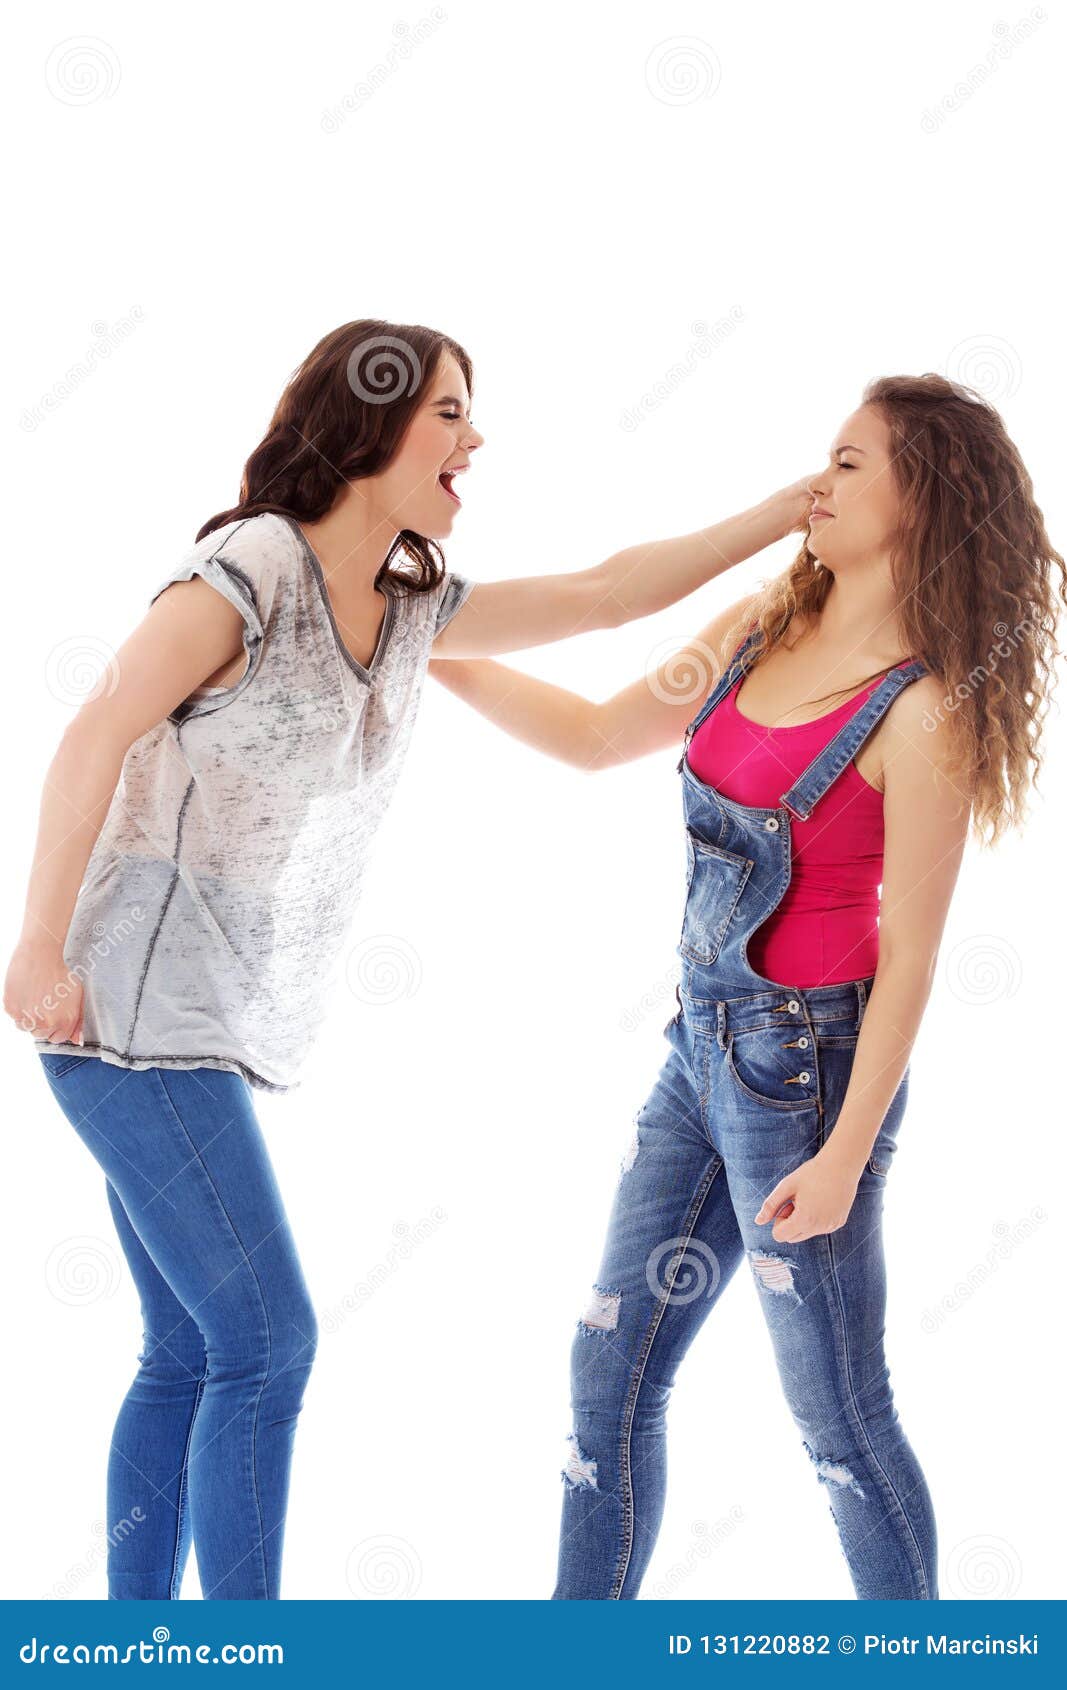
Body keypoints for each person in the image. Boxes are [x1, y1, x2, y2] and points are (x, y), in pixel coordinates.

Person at [3, 317, 811, 1600]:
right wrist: (35, 946)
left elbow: (606, 593)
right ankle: (244, 1654)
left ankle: (139, 1645)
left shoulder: (410, 605)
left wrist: (780, 519)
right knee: (268, 1342)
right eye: (448, 413)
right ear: (370, 426)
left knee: (189, 1350)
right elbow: (96, 729)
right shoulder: (251, 566)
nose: (473, 440)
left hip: (195, 1021)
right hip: (127, 1014)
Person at [429, 373, 1066, 1600]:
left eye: (844, 464)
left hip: (808, 1078)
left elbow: (914, 957)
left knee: (836, 1421)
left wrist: (838, 1158)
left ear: (918, 497)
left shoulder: (922, 709)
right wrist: (423, 645)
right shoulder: (761, 625)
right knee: (606, 1377)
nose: (810, 487)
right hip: (697, 1052)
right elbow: (591, 735)